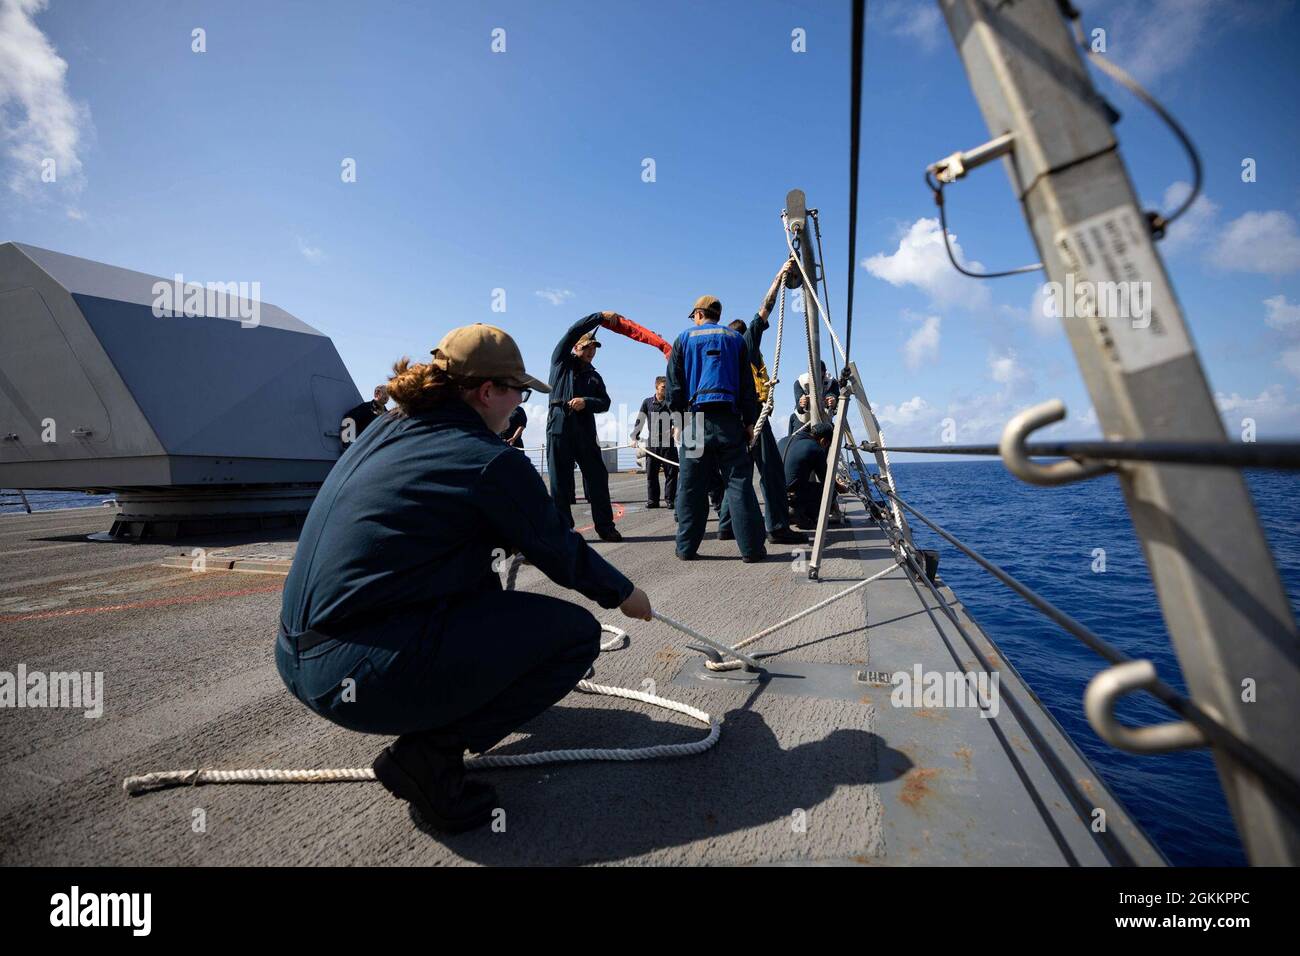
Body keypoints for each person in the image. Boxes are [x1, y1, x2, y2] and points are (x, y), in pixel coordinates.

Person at [276, 324, 651, 833]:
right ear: (487, 392)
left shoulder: (391, 426)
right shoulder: (486, 459)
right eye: (517, 390)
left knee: (478, 577)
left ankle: (439, 707)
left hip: (298, 654)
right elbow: (560, 551)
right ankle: (428, 760)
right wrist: (625, 594)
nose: (522, 402)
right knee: (575, 637)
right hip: (354, 669)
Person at [666, 295, 766, 562]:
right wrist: (748, 423)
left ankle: (686, 548)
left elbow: (674, 387)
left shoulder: (683, 339)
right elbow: (747, 386)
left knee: (690, 488)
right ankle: (752, 550)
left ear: (699, 314)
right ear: (718, 315)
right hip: (730, 422)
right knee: (739, 485)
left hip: (695, 421)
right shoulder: (736, 340)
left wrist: (678, 422)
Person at [718, 262, 808, 546]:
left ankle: (725, 525)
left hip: (729, 415)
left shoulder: (721, 354)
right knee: (771, 470)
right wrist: (780, 277)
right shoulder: (745, 344)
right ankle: (778, 527)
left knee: (737, 470)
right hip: (752, 413)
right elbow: (765, 308)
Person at [546, 314, 622, 542]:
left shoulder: (595, 377)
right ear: (576, 346)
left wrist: (586, 402)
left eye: (594, 348)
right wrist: (599, 317)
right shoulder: (560, 362)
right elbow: (571, 332)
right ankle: (564, 529)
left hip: (585, 431)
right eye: (587, 347)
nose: (591, 351)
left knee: (597, 477)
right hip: (559, 427)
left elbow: (605, 403)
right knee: (559, 482)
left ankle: (606, 527)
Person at [777, 421, 847, 529]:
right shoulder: (815, 448)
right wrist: (841, 488)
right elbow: (826, 481)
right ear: (823, 440)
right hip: (790, 493)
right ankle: (804, 517)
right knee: (830, 492)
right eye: (826, 445)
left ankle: (791, 512)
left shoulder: (783, 440)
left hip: (773, 490)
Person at [630, 376, 677, 509]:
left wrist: (675, 428)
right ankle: (653, 500)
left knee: (672, 472)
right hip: (653, 442)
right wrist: (634, 437)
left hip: (668, 442)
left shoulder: (671, 402)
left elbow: (679, 416)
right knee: (651, 473)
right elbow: (640, 420)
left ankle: (670, 500)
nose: (666, 390)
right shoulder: (647, 402)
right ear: (656, 387)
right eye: (663, 387)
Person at [340, 385, 389, 449]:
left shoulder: (387, 414)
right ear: (377, 393)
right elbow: (348, 420)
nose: (387, 397)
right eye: (385, 393)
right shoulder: (365, 408)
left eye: (388, 394)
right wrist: (347, 445)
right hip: (365, 449)